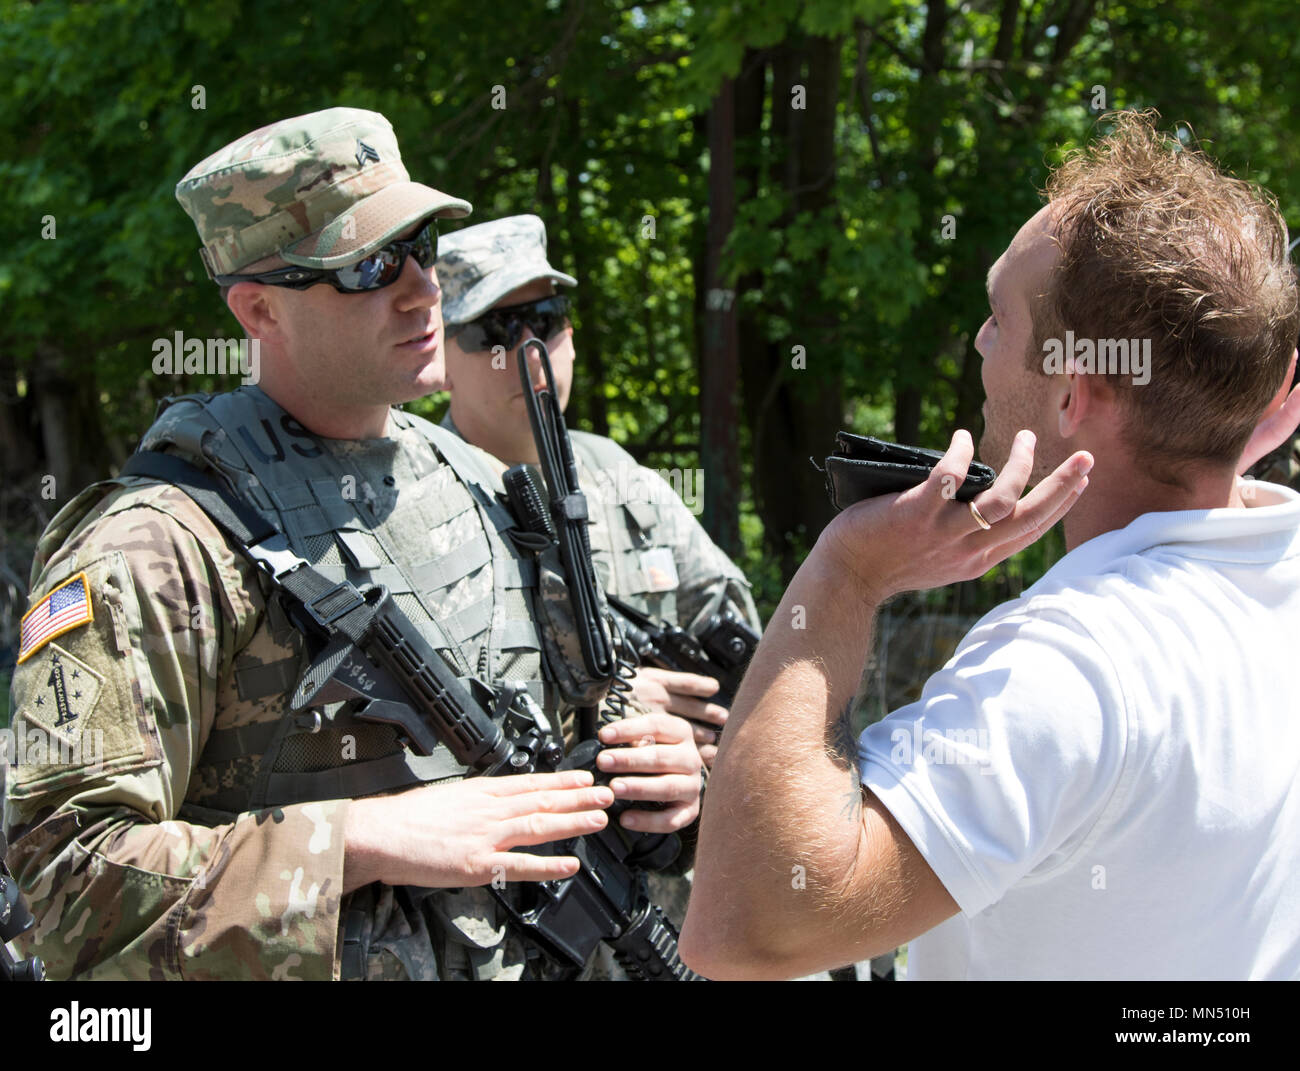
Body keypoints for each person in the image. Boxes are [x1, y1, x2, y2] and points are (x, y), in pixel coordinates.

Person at [3, 107, 701, 981]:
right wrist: (355, 842)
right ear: (259, 309)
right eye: (369, 266)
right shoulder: (154, 546)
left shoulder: (483, 482)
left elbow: (576, 732)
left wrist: (656, 783)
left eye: (422, 247)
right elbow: (63, 885)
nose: (422, 290)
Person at [680, 110, 1300, 980]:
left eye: (998, 319)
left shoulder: (1065, 663)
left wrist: (846, 573)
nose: (978, 342)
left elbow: (745, 929)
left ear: (1074, 395)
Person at [433, 215, 762, 947]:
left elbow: (750, 664)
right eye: (495, 329)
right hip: (507, 930)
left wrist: (702, 762)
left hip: (665, 915)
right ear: (439, 360)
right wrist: (603, 695)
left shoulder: (621, 480)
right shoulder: (413, 505)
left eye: (545, 320)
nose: (527, 350)